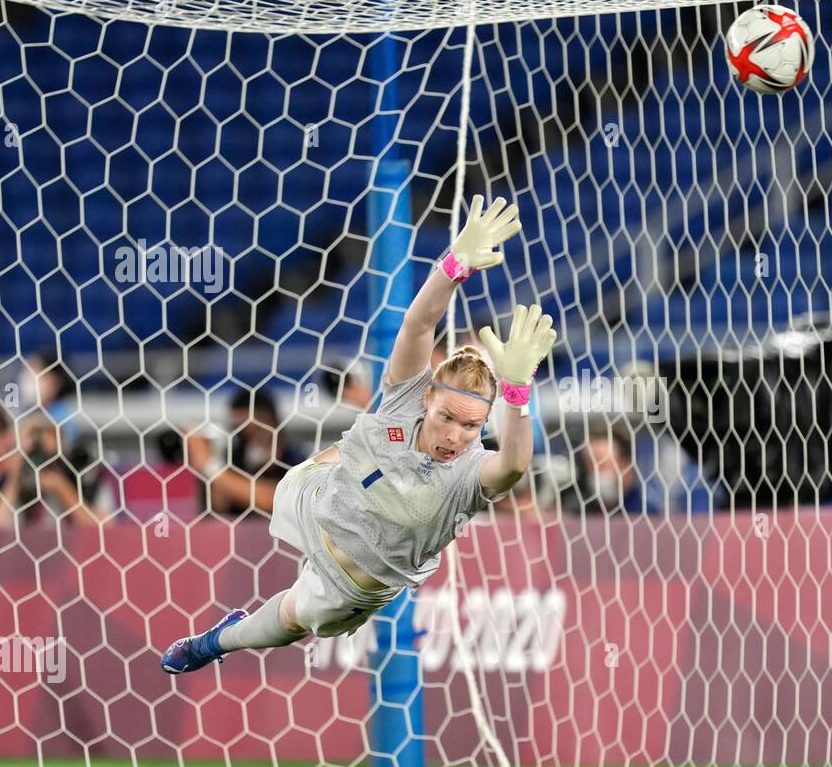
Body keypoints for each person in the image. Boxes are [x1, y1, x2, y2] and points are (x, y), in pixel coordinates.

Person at [162, 195, 554, 673]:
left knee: (292, 619)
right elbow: (419, 323)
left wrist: (516, 393)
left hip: (350, 583)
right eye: (448, 418)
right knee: (361, 440)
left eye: (471, 426)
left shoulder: (470, 475)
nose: (455, 435)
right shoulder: (408, 395)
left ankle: (217, 641)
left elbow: (513, 464)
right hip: (317, 497)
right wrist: (454, 266)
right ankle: (348, 449)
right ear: (428, 398)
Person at [186, 388, 304, 516]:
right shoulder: (235, 458)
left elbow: (277, 500)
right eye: (237, 426)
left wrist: (210, 465)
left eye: (250, 425)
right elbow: (218, 508)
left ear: (272, 421)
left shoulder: (296, 459)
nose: (242, 433)